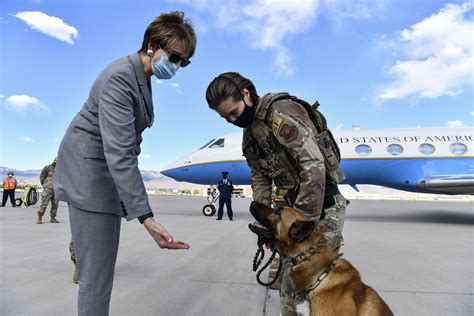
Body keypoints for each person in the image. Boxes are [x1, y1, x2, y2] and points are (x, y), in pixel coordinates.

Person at [53, 11, 197, 316]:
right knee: (96, 279)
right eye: (174, 57)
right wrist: (146, 216)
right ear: (151, 44)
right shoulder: (120, 76)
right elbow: (119, 152)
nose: (177, 66)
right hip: (89, 178)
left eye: (184, 62)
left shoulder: (141, 77)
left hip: (103, 180)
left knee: (100, 273)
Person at [205, 72, 348, 316]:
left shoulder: (279, 114)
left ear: (247, 95)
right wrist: (266, 221)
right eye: (225, 117)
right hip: (294, 216)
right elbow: (260, 177)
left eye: (234, 112)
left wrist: (298, 225)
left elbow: (313, 165)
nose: (231, 120)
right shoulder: (251, 136)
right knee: (289, 285)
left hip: (321, 211)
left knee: (317, 290)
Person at [37, 158, 59, 224]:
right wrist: (45, 184)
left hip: (56, 188)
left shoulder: (60, 169)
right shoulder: (47, 168)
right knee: (44, 203)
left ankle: (53, 218)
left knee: (55, 204)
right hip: (47, 189)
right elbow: (42, 176)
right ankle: (39, 217)